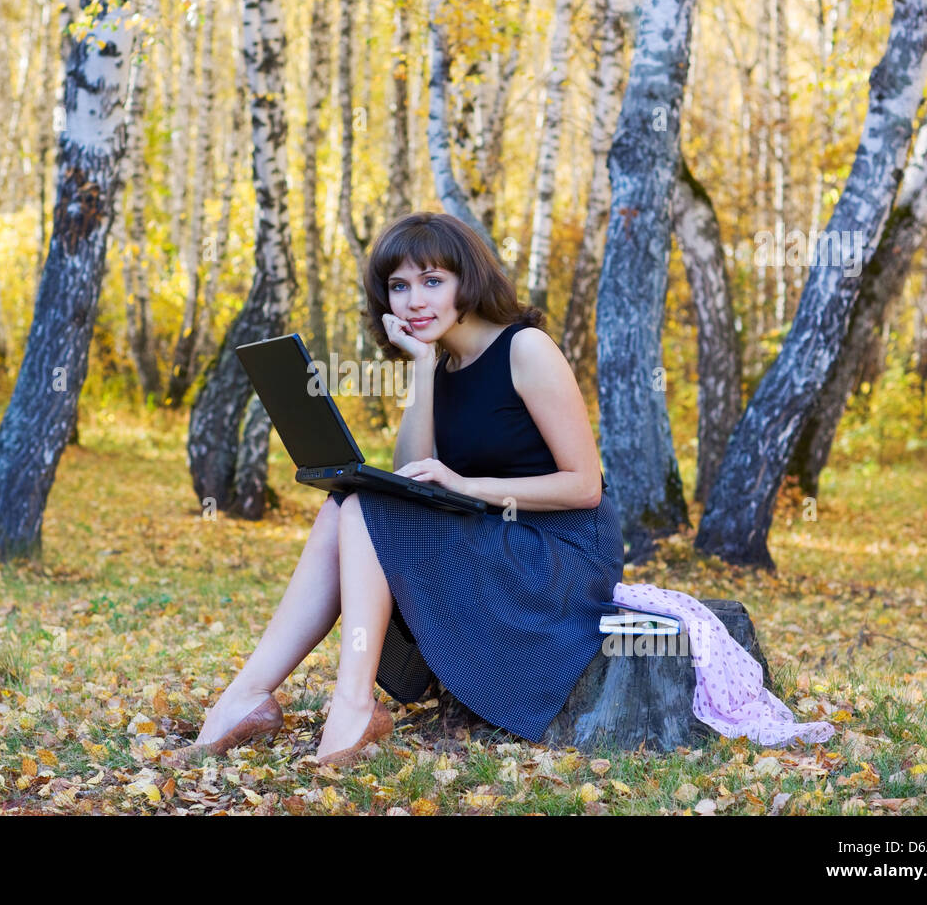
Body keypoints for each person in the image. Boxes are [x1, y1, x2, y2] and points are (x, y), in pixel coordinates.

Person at [163, 210, 626, 769]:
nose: (413, 300)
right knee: (348, 503)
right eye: (399, 287)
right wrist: (424, 367)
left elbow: (584, 489)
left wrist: (465, 485)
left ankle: (352, 704)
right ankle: (250, 695)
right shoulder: (443, 360)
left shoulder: (525, 349)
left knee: (366, 506)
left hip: (561, 560)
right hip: (494, 542)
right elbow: (414, 475)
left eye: (433, 281)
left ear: (468, 282)